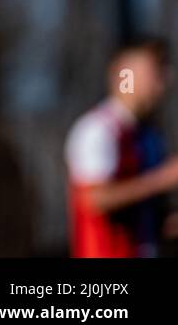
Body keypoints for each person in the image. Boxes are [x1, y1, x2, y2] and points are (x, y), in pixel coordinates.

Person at [65, 38, 178, 257]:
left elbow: (148, 221)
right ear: (125, 74)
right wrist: (162, 178)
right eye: (156, 68)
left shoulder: (150, 137)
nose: (167, 78)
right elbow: (94, 199)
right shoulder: (97, 130)